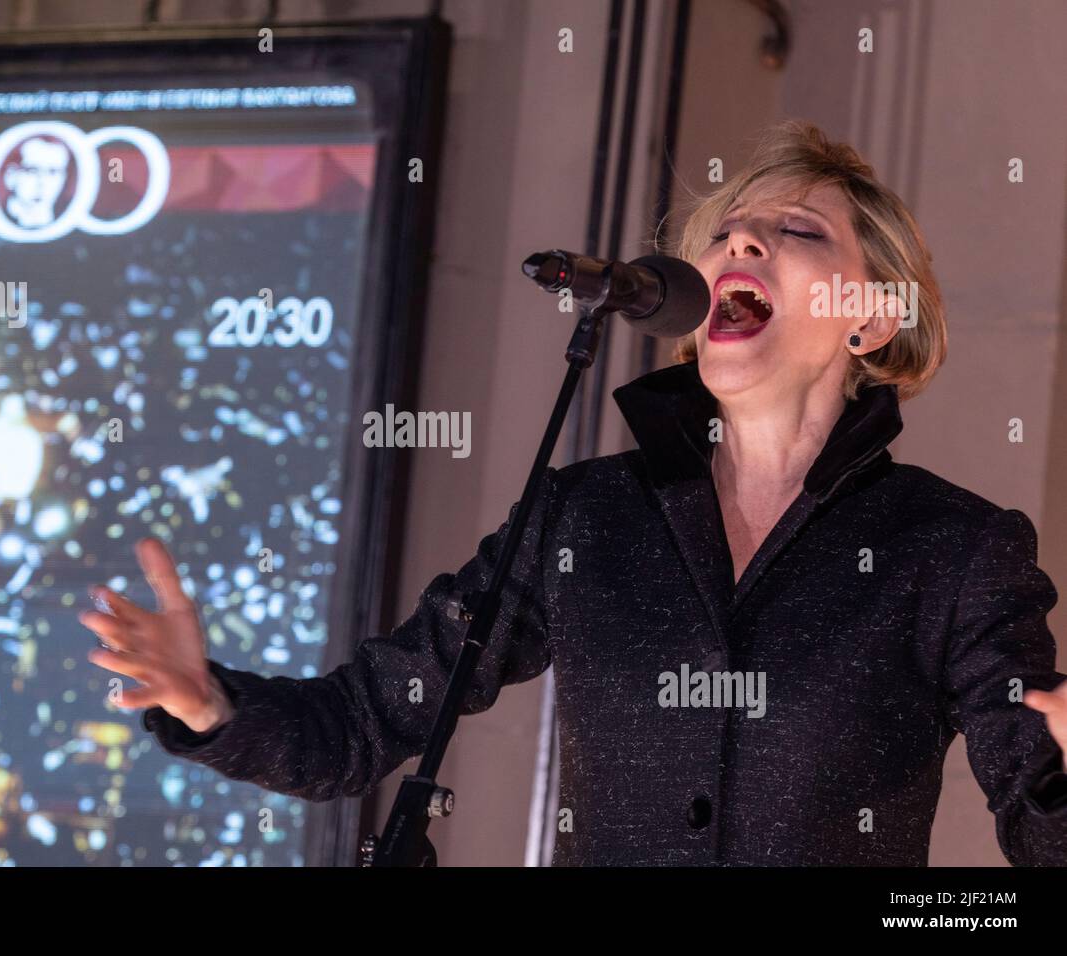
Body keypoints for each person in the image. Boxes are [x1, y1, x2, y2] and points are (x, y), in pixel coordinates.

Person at [80, 121, 1067, 865]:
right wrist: (207, 700)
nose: (741, 244)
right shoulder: (585, 518)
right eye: (726, 232)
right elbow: (361, 724)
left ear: (868, 318)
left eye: (795, 228)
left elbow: (1036, 821)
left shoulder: (954, 550)